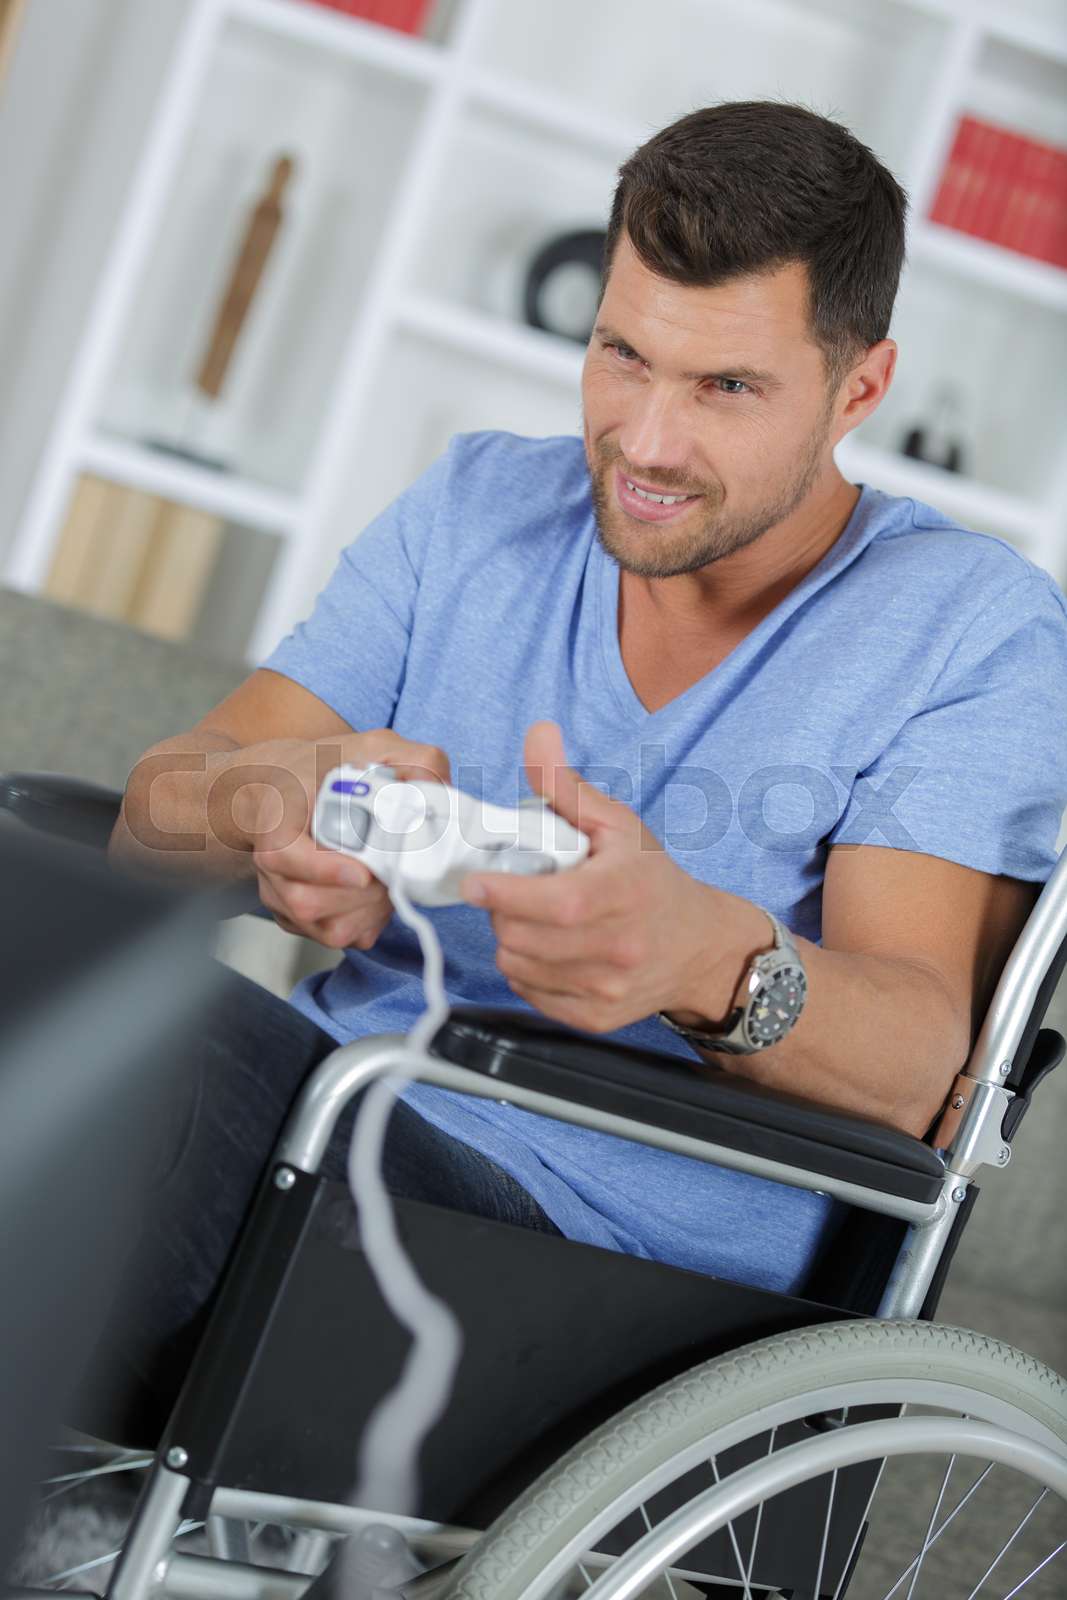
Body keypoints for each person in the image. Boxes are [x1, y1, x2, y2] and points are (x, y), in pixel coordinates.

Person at [100, 99, 1067, 1442]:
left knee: (138, 1066)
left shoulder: (970, 630)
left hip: (591, 1253)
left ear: (860, 388)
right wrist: (274, 803)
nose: (648, 441)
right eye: (622, 355)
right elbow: (155, 814)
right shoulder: (478, 504)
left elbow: (919, 1066)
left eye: (726, 388)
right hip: (318, 1117)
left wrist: (698, 961)